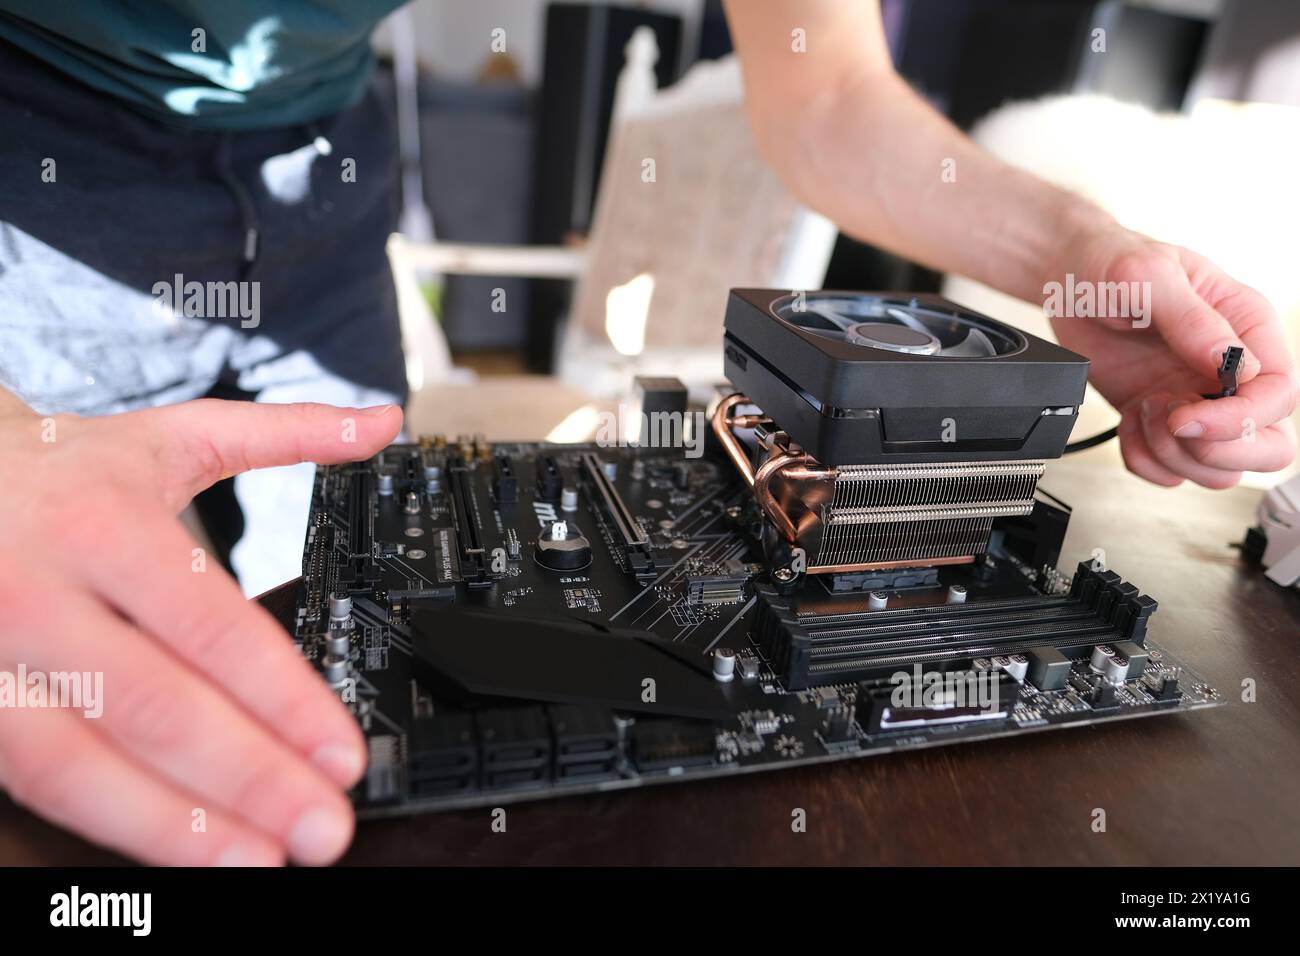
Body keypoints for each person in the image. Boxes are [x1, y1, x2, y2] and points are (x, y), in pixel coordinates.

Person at [0, 0, 1294, 867]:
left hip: (318, 155)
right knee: (94, 661)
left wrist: (1085, 259)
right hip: (37, 141)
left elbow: (830, 94)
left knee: (326, 600)